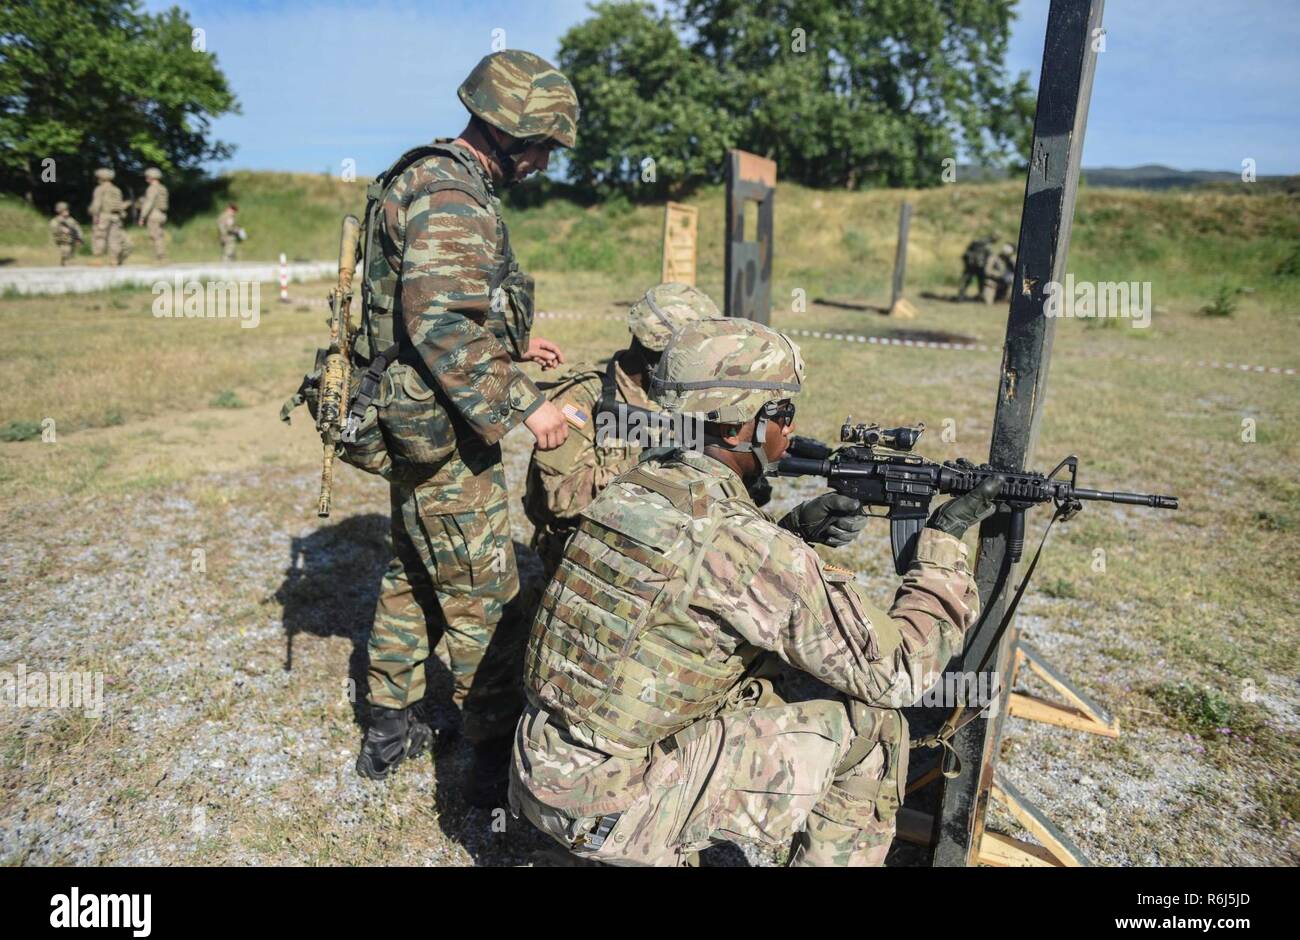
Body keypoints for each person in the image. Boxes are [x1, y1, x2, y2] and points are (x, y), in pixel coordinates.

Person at [510, 316, 1002, 866]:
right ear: (737, 424)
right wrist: (942, 548)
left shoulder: (634, 487)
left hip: (542, 763)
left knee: (777, 677)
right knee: (875, 727)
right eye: (782, 414)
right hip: (610, 804)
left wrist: (790, 532)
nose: (789, 431)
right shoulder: (741, 544)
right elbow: (900, 671)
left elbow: (694, 592)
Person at [353, 50, 579, 808]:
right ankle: (492, 762)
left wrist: (512, 346)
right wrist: (527, 402)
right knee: (489, 592)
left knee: (414, 569)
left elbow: (431, 310)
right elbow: (442, 320)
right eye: (543, 144)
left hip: (413, 419)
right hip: (442, 432)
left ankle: (390, 725)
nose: (546, 161)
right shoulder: (452, 193)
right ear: (509, 131)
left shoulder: (432, 176)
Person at [522, 282, 720, 578]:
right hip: (588, 563)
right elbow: (556, 498)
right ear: (657, 353)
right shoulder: (584, 400)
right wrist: (645, 467)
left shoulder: (686, 400)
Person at [88, 168, 129, 266]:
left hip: (104, 216)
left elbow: (97, 204)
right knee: (114, 238)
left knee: (99, 236)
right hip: (116, 217)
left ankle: (97, 259)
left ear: (101, 178)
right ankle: (114, 260)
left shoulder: (100, 189)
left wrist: (95, 215)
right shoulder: (116, 190)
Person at [138, 167, 169, 263]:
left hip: (154, 215)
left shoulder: (152, 188)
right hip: (162, 215)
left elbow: (149, 203)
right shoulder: (162, 188)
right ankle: (162, 257)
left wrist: (142, 216)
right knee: (159, 236)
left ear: (151, 177)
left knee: (155, 237)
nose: (146, 178)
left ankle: (160, 258)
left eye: (147, 176)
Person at [48, 202, 83, 266]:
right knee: (63, 256)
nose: (67, 211)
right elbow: (53, 228)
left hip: (71, 242)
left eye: (67, 210)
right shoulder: (55, 220)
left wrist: (79, 238)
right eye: (64, 210)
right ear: (60, 211)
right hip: (61, 243)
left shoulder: (71, 220)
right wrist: (61, 229)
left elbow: (77, 229)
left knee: (71, 257)